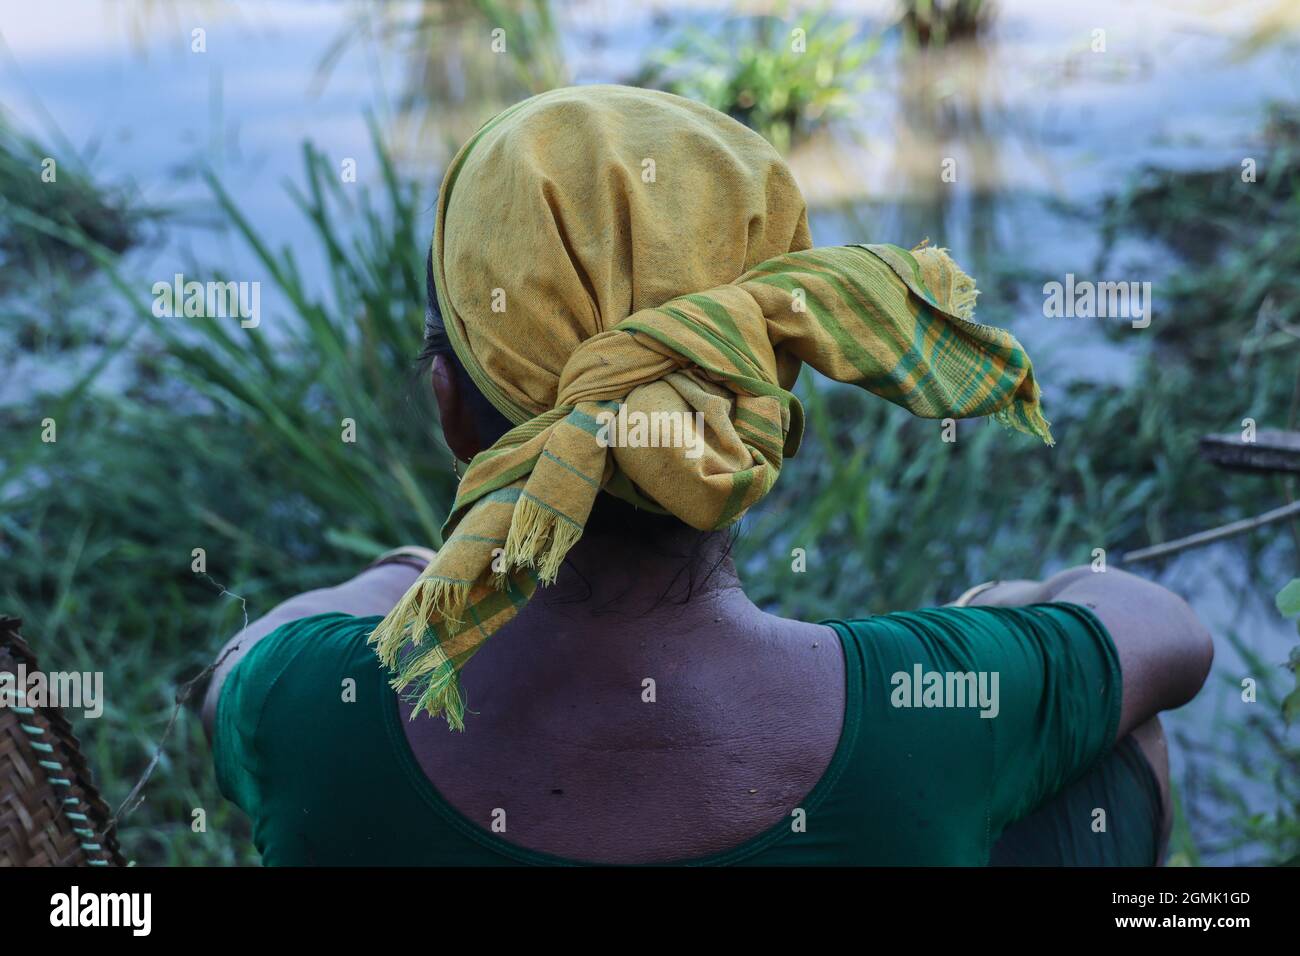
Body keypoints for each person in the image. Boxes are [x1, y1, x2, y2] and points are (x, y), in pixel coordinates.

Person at [202, 85, 1211, 866]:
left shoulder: (315, 712)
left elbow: (232, 667)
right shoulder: (927, 708)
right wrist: (1006, 604)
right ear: (761, 413)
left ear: (449, 404)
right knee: (1121, 745)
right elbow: (1175, 636)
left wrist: (408, 572)